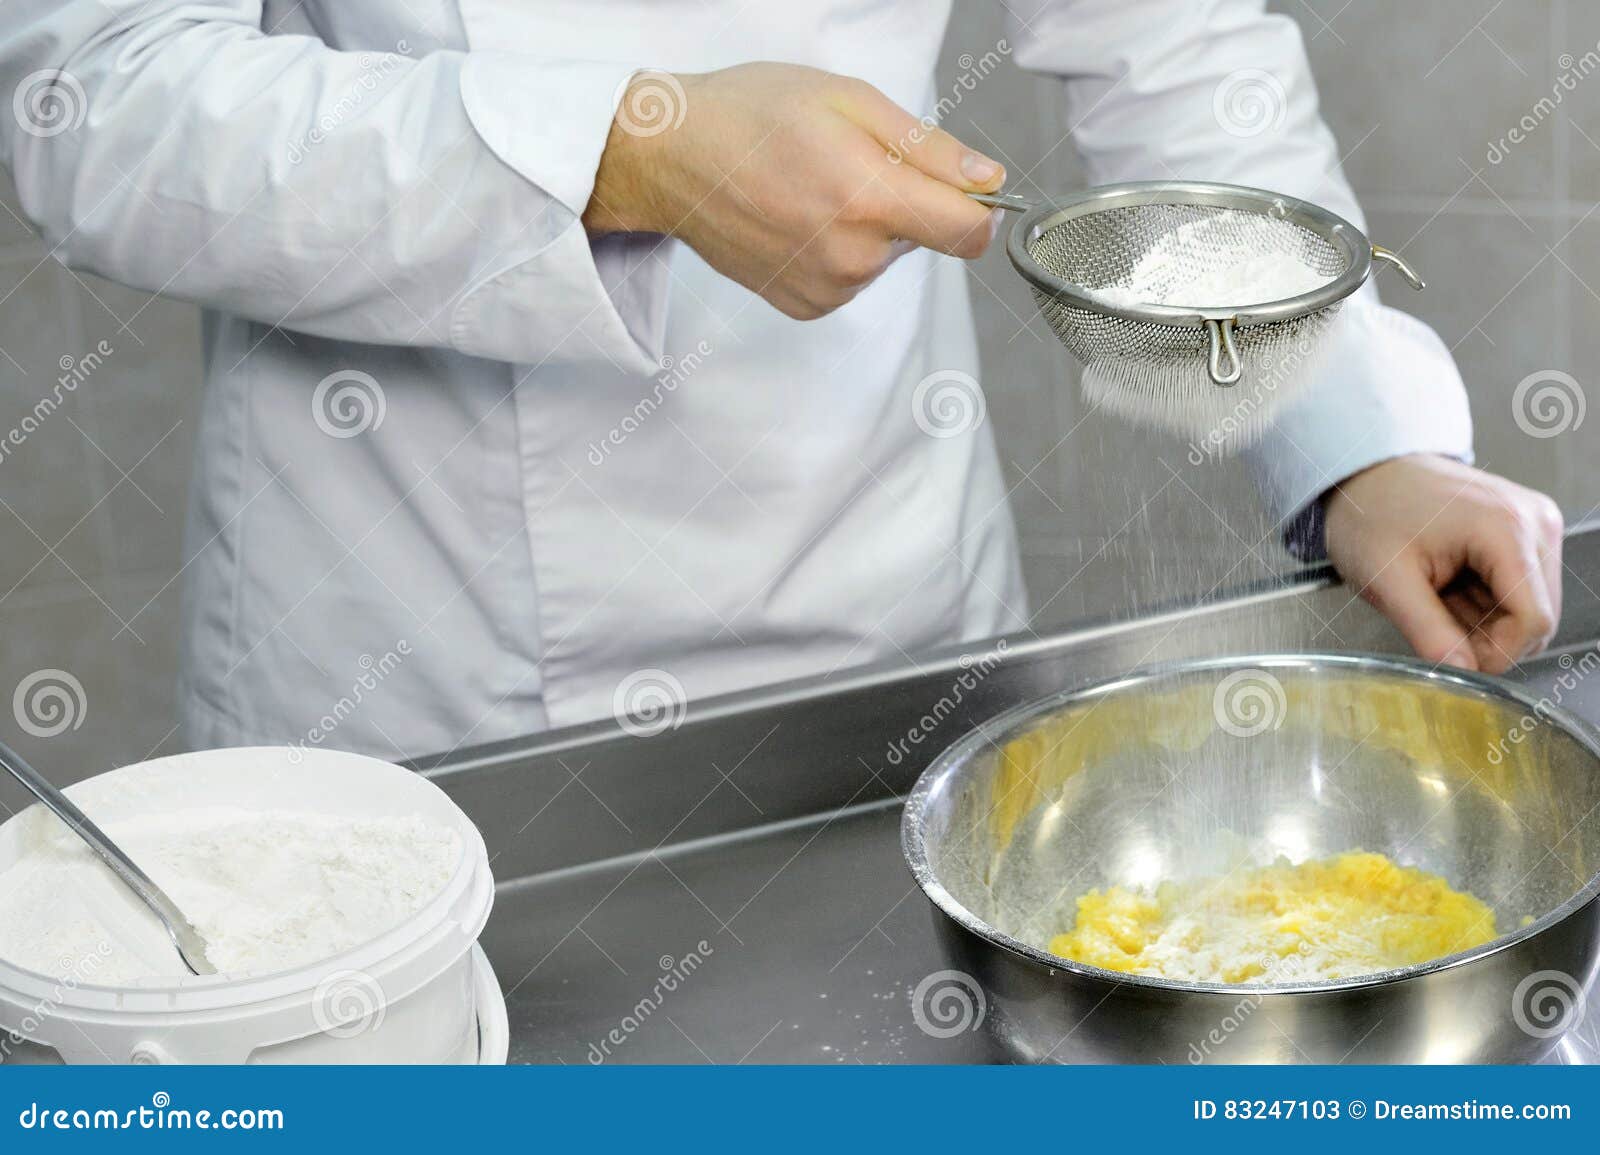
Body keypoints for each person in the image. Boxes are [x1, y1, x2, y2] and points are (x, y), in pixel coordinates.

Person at [0, 1, 1563, 761]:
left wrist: (1357, 444)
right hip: (416, 658)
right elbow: (100, 104)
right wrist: (627, 147)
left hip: (883, 633)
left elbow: (1177, 61)